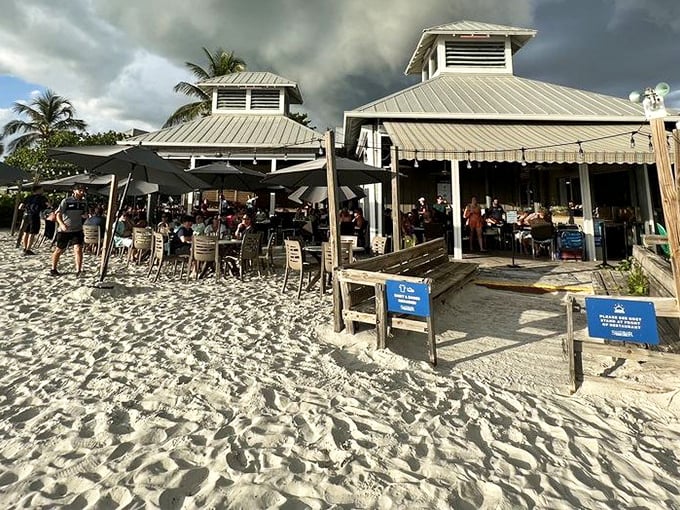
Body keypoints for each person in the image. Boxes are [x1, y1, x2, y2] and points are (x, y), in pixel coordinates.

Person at [51, 184, 87, 276]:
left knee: (78, 249)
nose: (82, 192)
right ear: (74, 191)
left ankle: (78, 270)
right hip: (65, 230)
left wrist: (85, 216)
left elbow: (84, 213)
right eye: (80, 190)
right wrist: (62, 224)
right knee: (59, 250)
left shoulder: (84, 202)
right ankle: (53, 268)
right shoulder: (66, 201)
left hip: (77, 229)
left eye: (83, 190)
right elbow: (58, 214)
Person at [20, 184, 49, 255]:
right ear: (38, 190)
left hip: (26, 215)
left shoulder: (28, 197)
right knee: (32, 233)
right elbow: (49, 206)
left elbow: (20, 207)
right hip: (34, 215)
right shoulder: (42, 198)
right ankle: (28, 249)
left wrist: (27, 209)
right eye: (42, 189)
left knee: (26, 232)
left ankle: (24, 248)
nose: (43, 191)